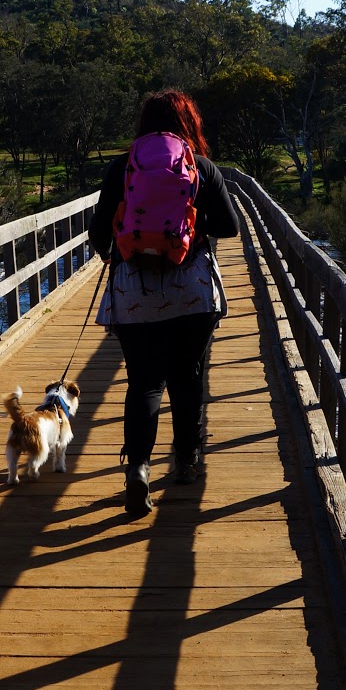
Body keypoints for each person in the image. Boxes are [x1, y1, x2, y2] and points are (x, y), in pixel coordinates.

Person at [88, 88, 239, 517]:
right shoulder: (202, 168)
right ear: (188, 124)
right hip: (192, 292)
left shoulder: (123, 168)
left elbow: (97, 233)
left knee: (144, 382)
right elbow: (228, 225)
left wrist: (125, 252)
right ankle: (186, 460)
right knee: (187, 377)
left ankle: (138, 469)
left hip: (135, 293)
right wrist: (191, 226)